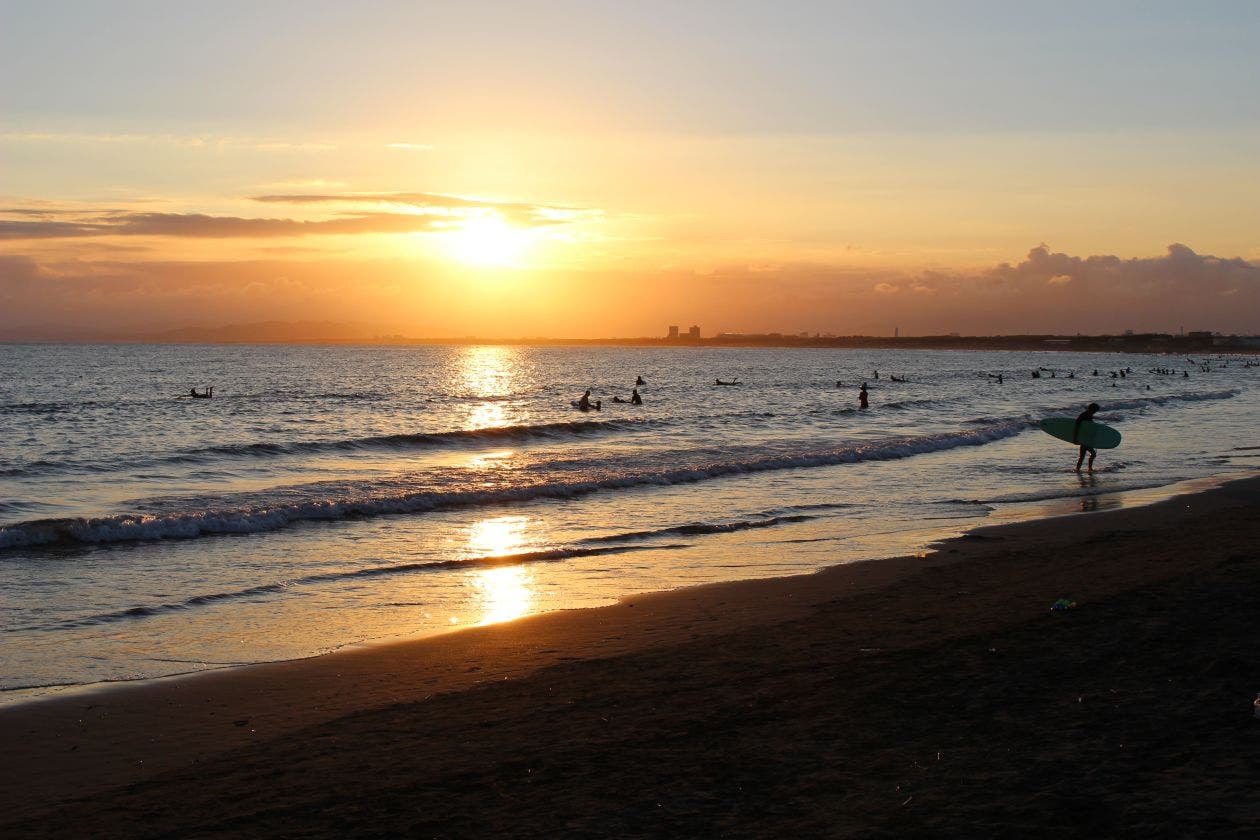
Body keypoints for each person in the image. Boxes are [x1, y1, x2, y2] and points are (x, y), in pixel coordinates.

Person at [1073, 402, 1100, 472]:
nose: (1094, 413)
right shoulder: (1085, 415)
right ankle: (1089, 469)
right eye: (1094, 411)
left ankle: (1078, 469)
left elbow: (1089, 427)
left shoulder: (1089, 415)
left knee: (1082, 456)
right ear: (1091, 409)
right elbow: (1077, 426)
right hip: (1084, 438)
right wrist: (1075, 437)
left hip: (1086, 438)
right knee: (1093, 454)